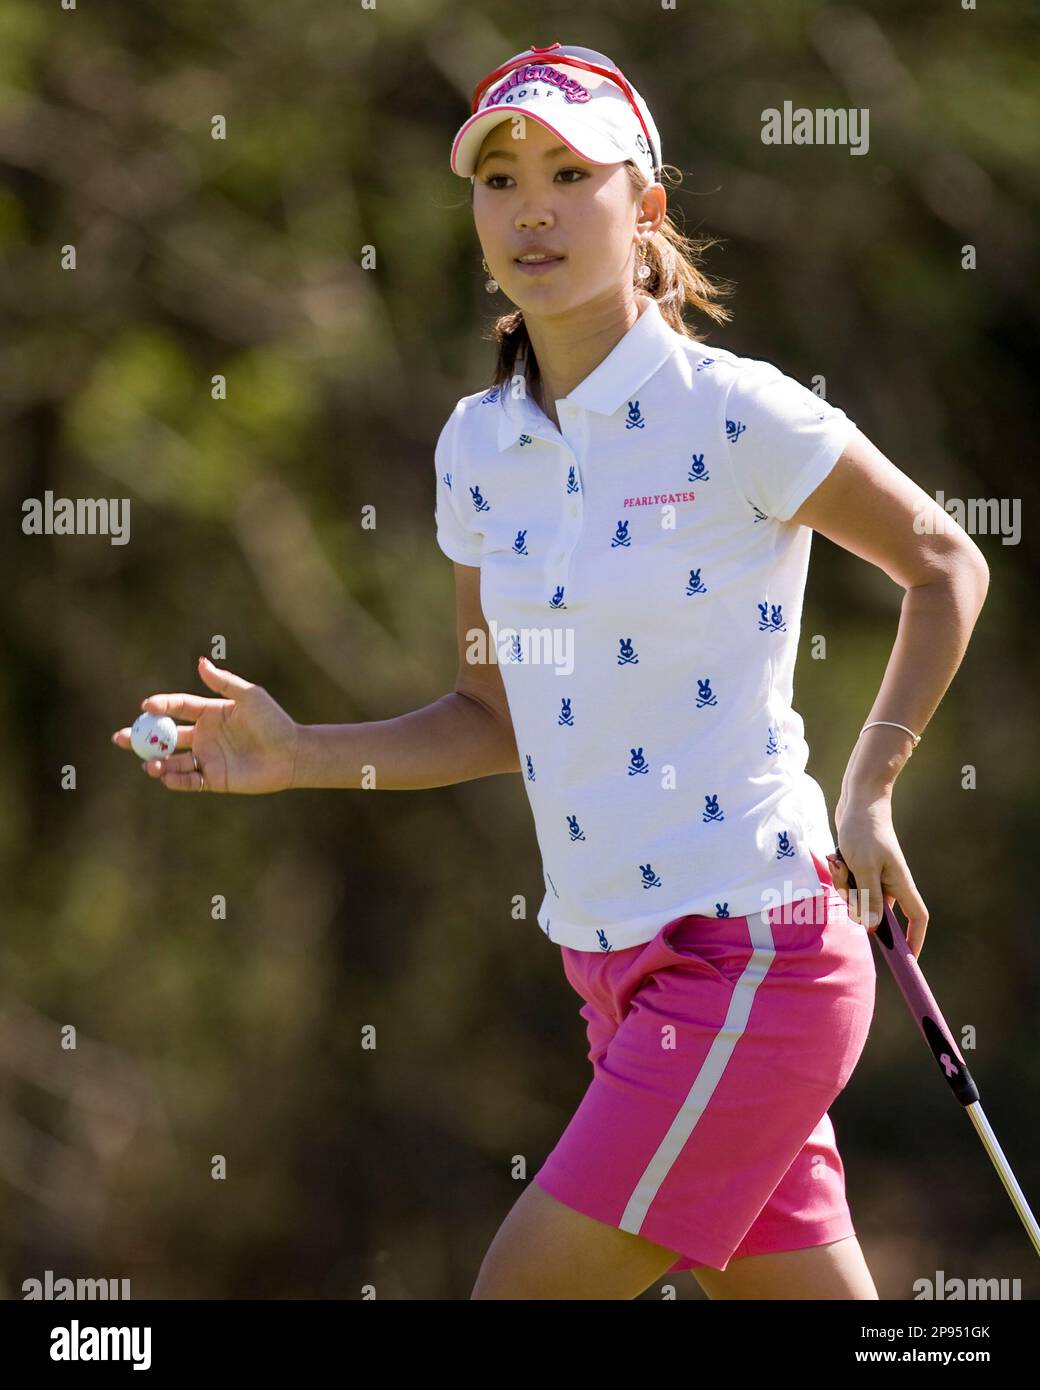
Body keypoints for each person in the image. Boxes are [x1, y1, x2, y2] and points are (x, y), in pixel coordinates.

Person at [112, 42, 990, 1300]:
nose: (530, 206)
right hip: (615, 974)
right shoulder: (479, 448)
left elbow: (943, 564)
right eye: (500, 176)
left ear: (645, 210)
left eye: (571, 172)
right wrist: (301, 754)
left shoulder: (734, 411)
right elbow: (489, 714)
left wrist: (870, 793)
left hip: (756, 953)